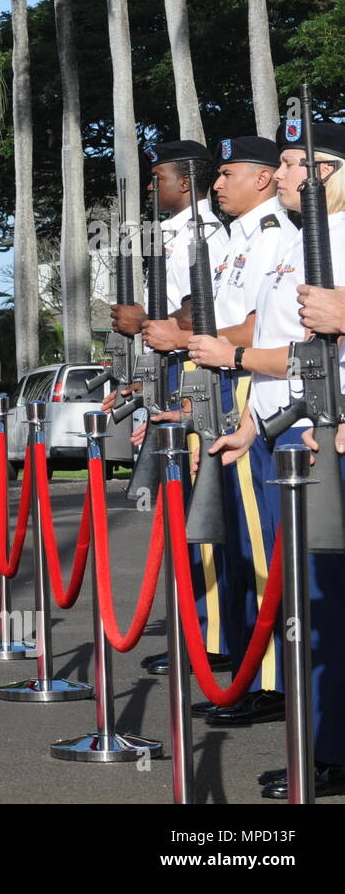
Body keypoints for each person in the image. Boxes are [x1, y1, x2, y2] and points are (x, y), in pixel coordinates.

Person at [204, 119, 345, 797]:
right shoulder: (301, 244)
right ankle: (325, 742)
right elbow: (297, 359)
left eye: (296, 163)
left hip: (330, 435)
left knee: (325, 600)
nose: (285, 173)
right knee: (315, 603)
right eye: (285, 163)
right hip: (301, 427)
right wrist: (256, 425)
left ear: (327, 173)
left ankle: (329, 744)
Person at [181, 137, 297, 726]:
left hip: (252, 389)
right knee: (238, 537)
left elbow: (256, 327)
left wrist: (189, 342)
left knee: (262, 540)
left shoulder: (276, 236)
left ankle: (272, 678)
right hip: (231, 383)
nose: (216, 184)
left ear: (261, 179)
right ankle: (252, 664)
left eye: (227, 174)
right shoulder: (235, 238)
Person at [109, 140, 232, 677]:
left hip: (199, 373)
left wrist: (144, 321)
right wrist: (135, 382)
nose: (153, 186)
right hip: (173, 370)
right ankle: (198, 629)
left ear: (186, 181)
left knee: (200, 513)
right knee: (180, 512)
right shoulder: (175, 234)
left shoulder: (205, 234)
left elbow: (202, 309)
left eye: (158, 177)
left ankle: (211, 636)